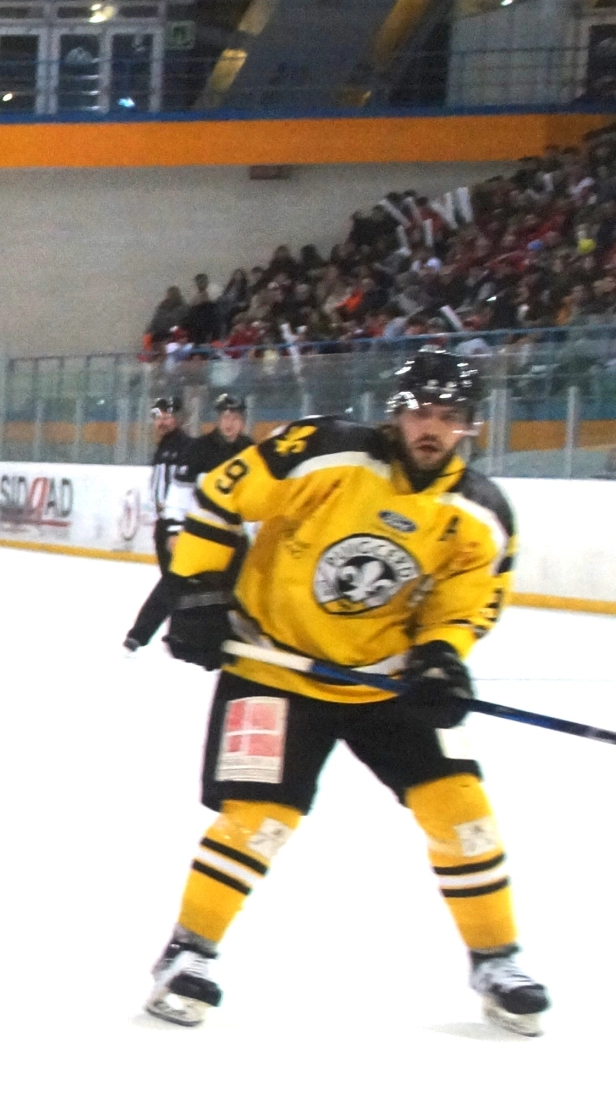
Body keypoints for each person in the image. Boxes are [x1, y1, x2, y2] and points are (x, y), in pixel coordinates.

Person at [134, 350, 543, 1033]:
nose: (431, 427)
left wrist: (442, 658)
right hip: (272, 664)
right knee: (259, 818)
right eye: (420, 411)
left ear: (470, 424)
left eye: (448, 416)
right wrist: (200, 590)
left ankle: (497, 961)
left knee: (462, 811)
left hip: (386, 679)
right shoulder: (326, 451)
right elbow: (222, 495)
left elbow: (467, 602)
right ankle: (187, 953)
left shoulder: (481, 512)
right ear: (398, 413)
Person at [121, 395, 200, 650]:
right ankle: (175, 635)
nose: (162, 422)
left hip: (177, 527)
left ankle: (140, 634)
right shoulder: (163, 447)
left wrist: (179, 524)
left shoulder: (186, 446)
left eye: (167, 416)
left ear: (178, 418)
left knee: (173, 582)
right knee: (173, 582)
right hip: (163, 526)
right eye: (158, 417)